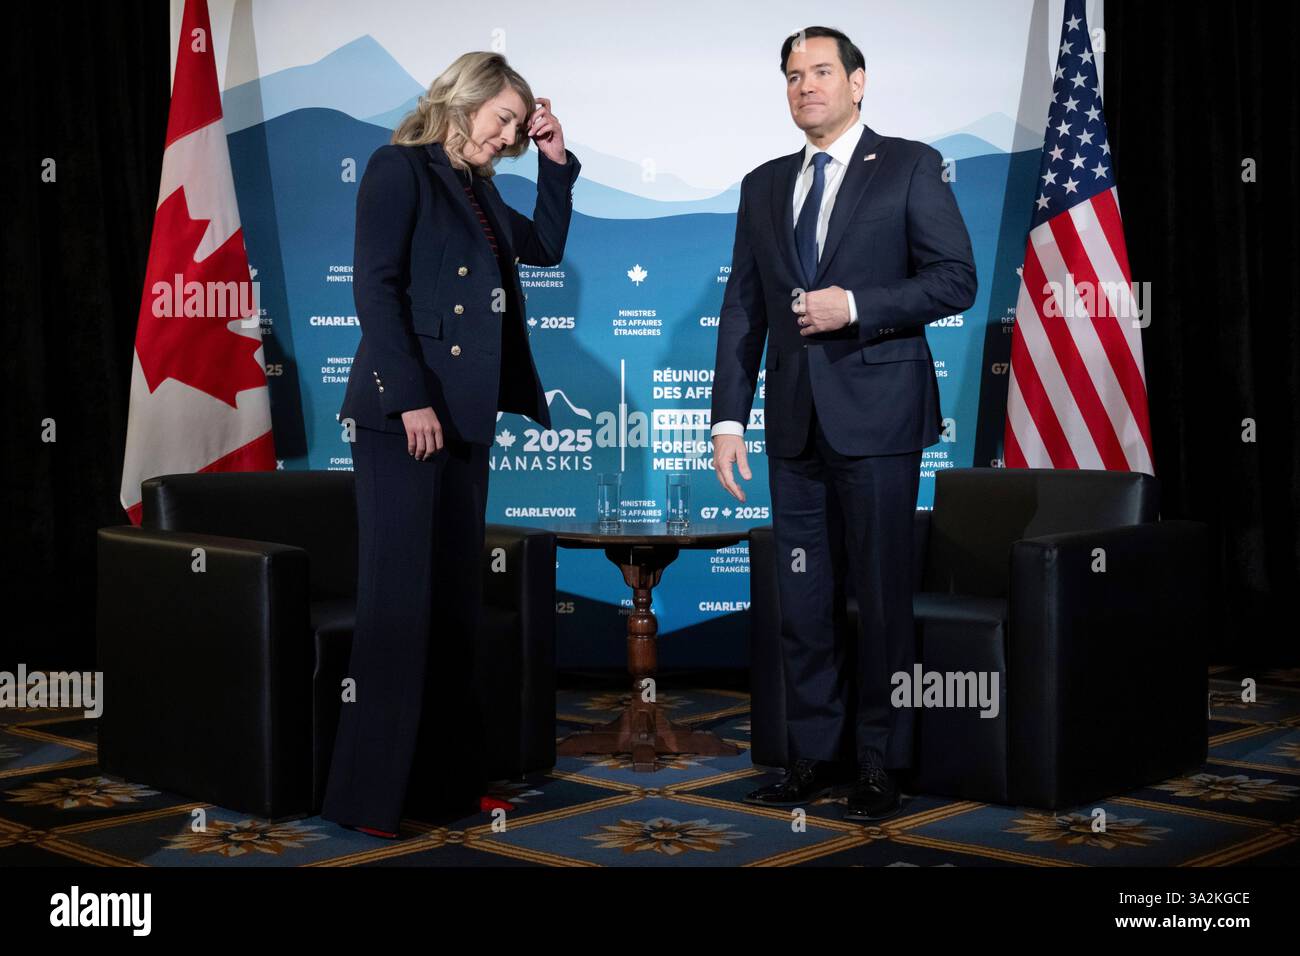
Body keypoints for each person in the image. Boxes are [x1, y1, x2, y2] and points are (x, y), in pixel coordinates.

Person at [710, 26, 977, 821]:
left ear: (859, 82)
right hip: (792, 428)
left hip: (879, 419)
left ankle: (880, 764)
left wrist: (857, 306)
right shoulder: (762, 184)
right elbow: (744, 310)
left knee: (882, 598)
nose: (806, 87)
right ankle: (813, 756)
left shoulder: (909, 164)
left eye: (822, 71)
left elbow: (955, 279)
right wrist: (728, 419)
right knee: (805, 601)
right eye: (793, 75)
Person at [322, 51, 580, 838]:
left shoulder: (481, 193)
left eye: (515, 126)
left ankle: (444, 789)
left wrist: (555, 161)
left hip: (466, 421)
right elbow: (376, 287)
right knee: (399, 608)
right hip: (404, 419)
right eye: (502, 120)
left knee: (451, 611)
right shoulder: (399, 169)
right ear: (462, 102)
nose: (505, 137)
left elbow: (544, 248)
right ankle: (371, 798)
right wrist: (409, 400)